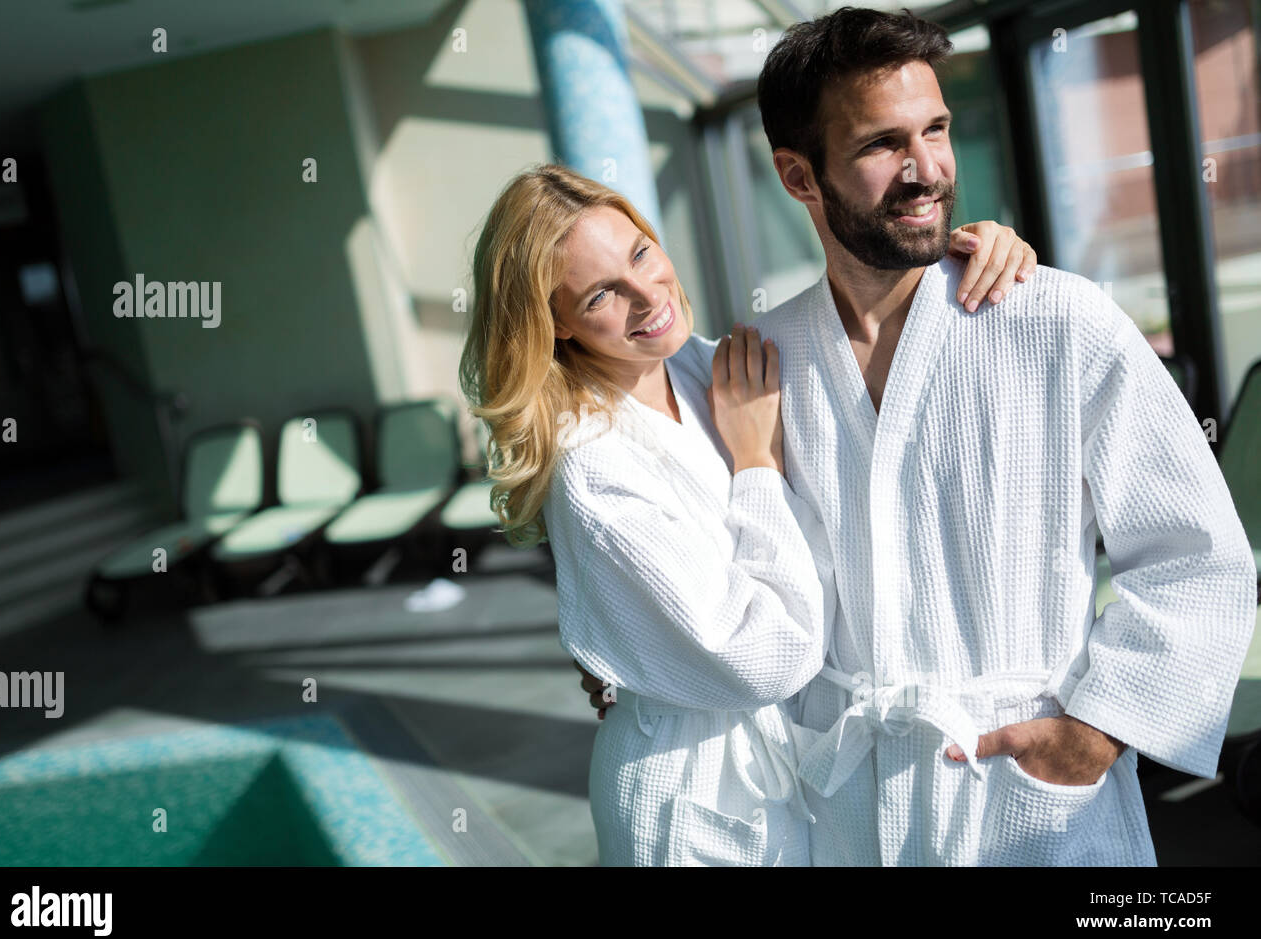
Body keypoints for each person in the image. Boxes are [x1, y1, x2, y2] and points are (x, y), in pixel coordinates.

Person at [741, 6, 1254, 865]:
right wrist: (624, 668)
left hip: (1034, 796)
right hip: (847, 803)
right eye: (881, 145)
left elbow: (1197, 553)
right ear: (799, 177)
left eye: (936, 129)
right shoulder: (761, 364)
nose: (927, 170)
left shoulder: (1056, 319)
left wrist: (1094, 732)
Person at [462, 162, 1037, 865]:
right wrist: (756, 463)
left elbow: (855, 344)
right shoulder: (593, 465)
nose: (648, 296)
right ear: (554, 325)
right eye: (601, 295)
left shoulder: (705, 367)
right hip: (694, 801)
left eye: (641, 253)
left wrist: (973, 249)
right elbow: (765, 659)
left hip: (787, 772)